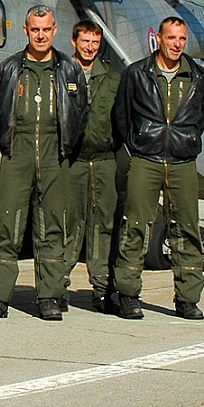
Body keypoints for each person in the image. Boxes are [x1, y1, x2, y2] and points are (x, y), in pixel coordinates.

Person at [0, 6, 88, 321]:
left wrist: (67, 146)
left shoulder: (69, 70)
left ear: (55, 31)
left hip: (56, 156)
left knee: (52, 227)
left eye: (46, 30)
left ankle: (50, 297)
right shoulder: (9, 68)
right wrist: (8, 143)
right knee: (8, 226)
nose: (40, 35)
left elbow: (81, 113)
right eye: (35, 30)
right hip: (18, 153)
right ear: (25, 31)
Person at [113, 16, 204, 321]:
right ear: (159, 39)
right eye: (171, 38)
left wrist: (184, 140)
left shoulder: (197, 76)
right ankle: (128, 294)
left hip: (182, 162)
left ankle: (187, 299)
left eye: (182, 39)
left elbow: (202, 116)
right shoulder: (137, 74)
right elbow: (122, 116)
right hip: (146, 159)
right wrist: (139, 144)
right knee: (135, 227)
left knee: (187, 230)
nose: (177, 44)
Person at [62, 19, 123, 314]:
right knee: (67, 224)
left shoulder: (112, 78)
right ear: (74, 41)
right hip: (71, 162)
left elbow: (123, 119)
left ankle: (101, 289)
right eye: (85, 41)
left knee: (103, 225)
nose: (90, 47)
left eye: (95, 43)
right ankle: (56, 287)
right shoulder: (61, 73)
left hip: (103, 160)